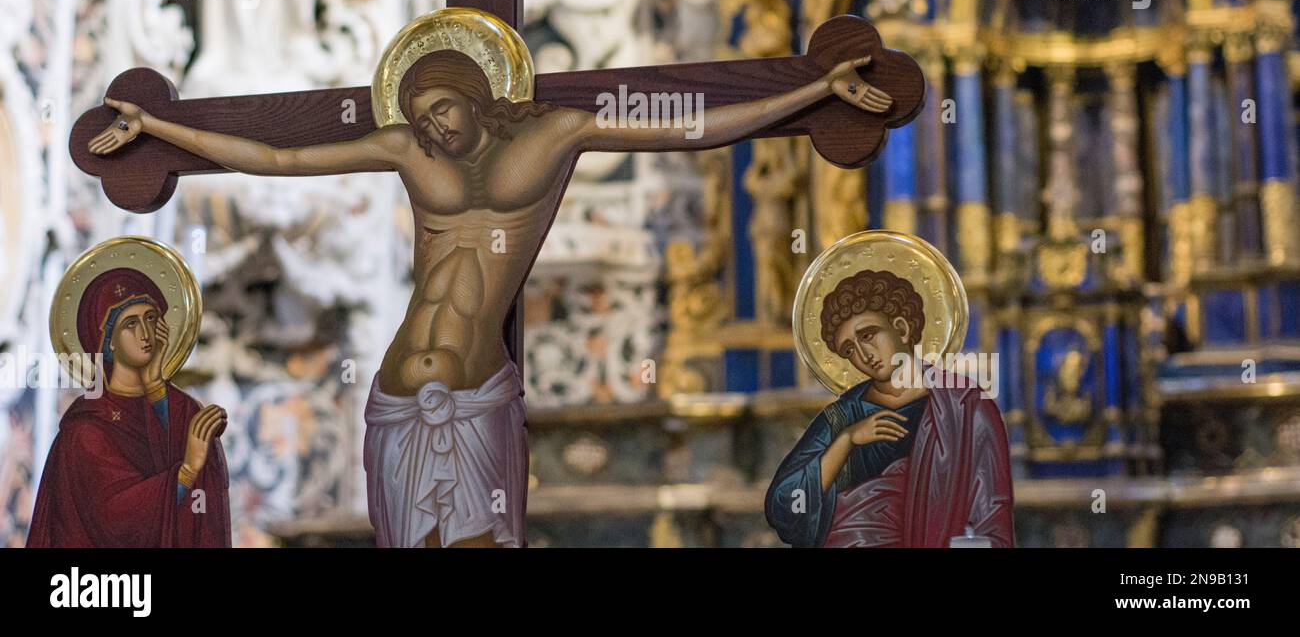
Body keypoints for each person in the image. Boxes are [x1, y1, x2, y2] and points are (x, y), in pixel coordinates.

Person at [89, 45, 891, 547]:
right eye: (422, 118)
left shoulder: (553, 134)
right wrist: (166, 132)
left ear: (476, 97)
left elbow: (693, 125)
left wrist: (812, 92)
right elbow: (277, 160)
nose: (433, 130)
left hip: (474, 396)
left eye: (442, 111)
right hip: (398, 396)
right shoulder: (405, 147)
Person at [765, 268, 1014, 547]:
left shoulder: (966, 406)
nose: (864, 355)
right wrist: (846, 441)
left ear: (902, 328)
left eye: (868, 335)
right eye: (849, 349)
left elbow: (990, 512)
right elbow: (785, 507)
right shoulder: (842, 417)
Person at [28, 268, 230, 547]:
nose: (145, 333)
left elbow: (202, 505)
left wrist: (156, 385)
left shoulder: (181, 409)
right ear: (108, 341)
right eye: (130, 324)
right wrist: (186, 471)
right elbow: (117, 516)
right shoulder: (85, 427)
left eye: (150, 318)